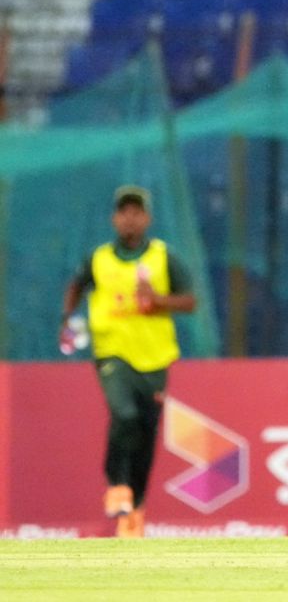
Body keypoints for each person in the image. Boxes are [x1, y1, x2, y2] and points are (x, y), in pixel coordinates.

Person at [60, 186, 197, 538]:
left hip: (154, 358)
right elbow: (76, 285)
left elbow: (190, 301)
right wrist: (67, 317)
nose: (130, 219)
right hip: (111, 351)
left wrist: (158, 301)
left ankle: (135, 506)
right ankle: (116, 485)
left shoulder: (163, 257)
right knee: (124, 414)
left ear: (147, 218)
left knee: (146, 433)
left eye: (137, 212)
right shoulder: (99, 258)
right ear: (114, 218)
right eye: (124, 212)